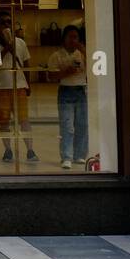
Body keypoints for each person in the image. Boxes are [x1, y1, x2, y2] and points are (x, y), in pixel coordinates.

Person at [0, 10, 38, 163]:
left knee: (24, 119)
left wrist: (28, 84)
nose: (6, 25)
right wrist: (7, 47)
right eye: (2, 22)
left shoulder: (21, 43)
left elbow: (26, 64)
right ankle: (8, 150)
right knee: (4, 121)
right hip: (0, 87)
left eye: (8, 22)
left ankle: (30, 150)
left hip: (19, 86)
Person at [49, 25, 88, 169]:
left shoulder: (82, 53)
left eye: (75, 37)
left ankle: (80, 155)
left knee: (82, 125)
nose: (73, 40)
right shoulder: (56, 55)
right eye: (70, 37)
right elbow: (51, 76)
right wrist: (66, 72)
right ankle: (66, 156)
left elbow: (95, 67)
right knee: (67, 126)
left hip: (81, 90)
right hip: (65, 90)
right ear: (64, 38)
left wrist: (84, 50)